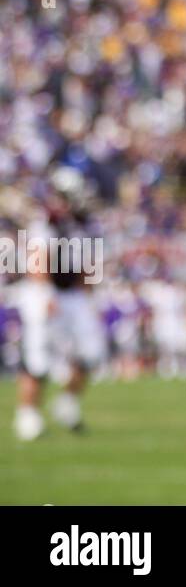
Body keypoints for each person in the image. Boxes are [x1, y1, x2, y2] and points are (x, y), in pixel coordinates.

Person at [13, 167, 107, 441]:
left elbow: (85, 264)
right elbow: (38, 260)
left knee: (91, 350)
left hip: (72, 294)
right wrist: (45, 295)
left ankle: (66, 403)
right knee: (38, 357)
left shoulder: (83, 223)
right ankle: (27, 414)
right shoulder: (47, 221)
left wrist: (89, 296)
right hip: (43, 290)